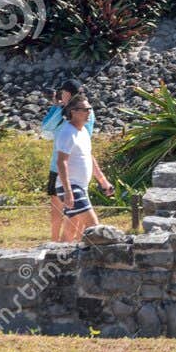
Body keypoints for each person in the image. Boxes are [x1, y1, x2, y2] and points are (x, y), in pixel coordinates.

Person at [41, 80, 95, 242]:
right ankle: (58, 241)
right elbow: (47, 129)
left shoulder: (78, 112)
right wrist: (58, 107)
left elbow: (46, 128)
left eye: (62, 93)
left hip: (63, 165)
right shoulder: (83, 110)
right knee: (63, 208)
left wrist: (58, 109)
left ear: (68, 94)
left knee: (70, 210)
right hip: (72, 166)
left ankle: (64, 242)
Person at [53, 96, 112, 243]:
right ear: (73, 111)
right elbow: (61, 162)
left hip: (80, 187)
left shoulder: (83, 131)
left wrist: (103, 181)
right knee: (94, 227)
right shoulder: (67, 132)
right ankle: (97, 262)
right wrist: (68, 191)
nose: (89, 112)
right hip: (72, 187)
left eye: (90, 109)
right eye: (85, 109)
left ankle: (58, 259)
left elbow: (88, 157)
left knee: (72, 230)